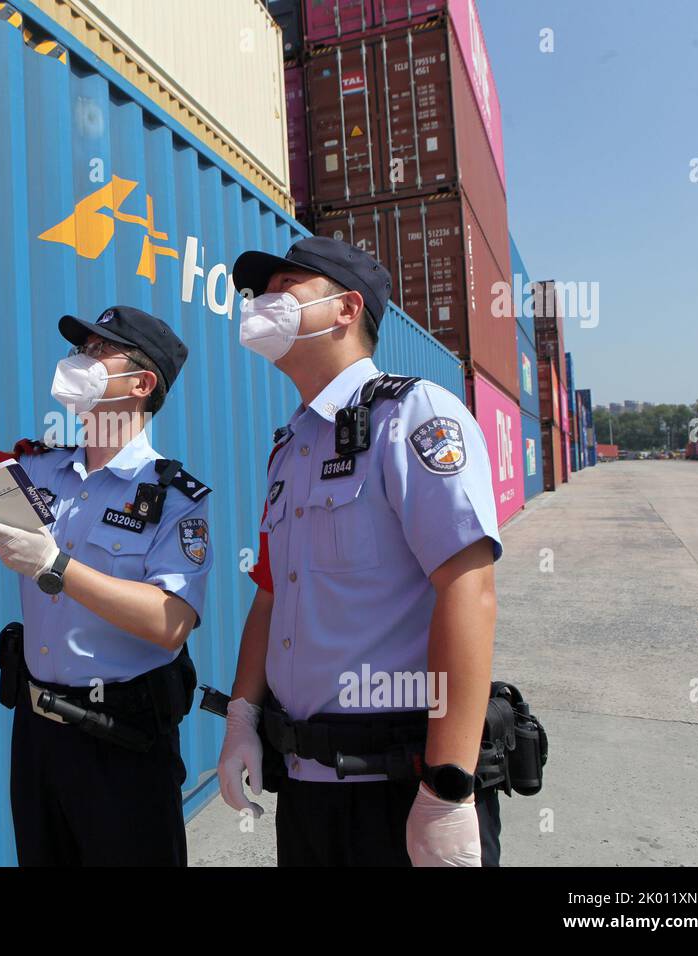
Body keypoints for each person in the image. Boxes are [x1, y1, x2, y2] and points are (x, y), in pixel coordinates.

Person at [0, 286, 212, 866]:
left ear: (143, 384)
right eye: (81, 346)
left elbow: (170, 622)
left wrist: (55, 567)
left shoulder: (174, 499)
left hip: (124, 741)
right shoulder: (39, 468)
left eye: (101, 350)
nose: (80, 360)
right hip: (38, 737)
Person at [216, 236, 504, 867]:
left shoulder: (413, 415)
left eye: (284, 288)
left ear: (347, 309)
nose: (263, 303)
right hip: (307, 790)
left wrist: (449, 786)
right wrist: (242, 714)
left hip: (400, 786)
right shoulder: (289, 448)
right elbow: (271, 594)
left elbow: (469, 588)